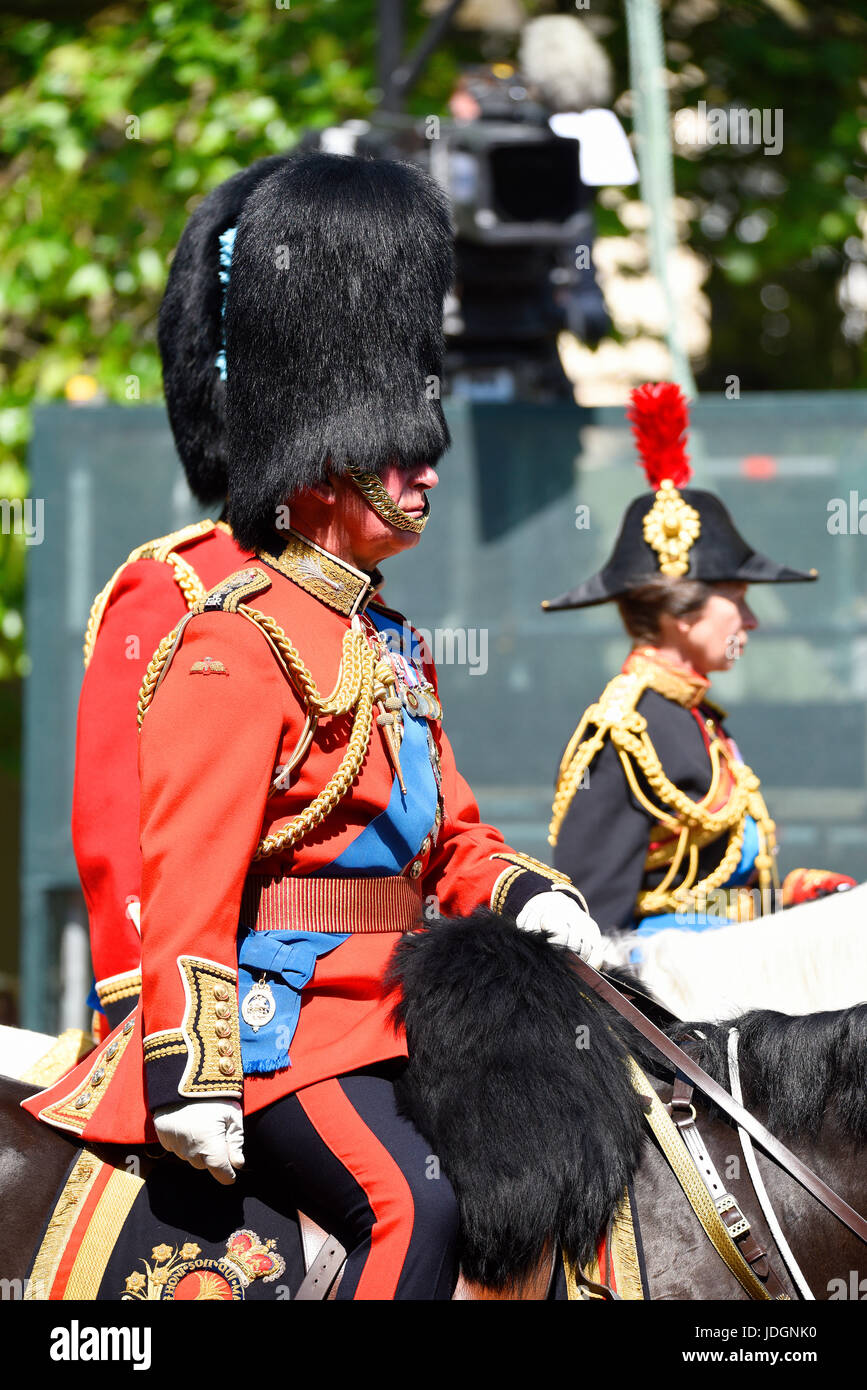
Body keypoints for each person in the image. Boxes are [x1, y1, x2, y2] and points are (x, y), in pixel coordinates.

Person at [25, 153, 601, 1301]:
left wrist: (529, 895)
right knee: (414, 1201)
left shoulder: (390, 639)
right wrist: (191, 1063)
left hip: (406, 1012)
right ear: (330, 454)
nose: (430, 473)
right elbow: (188, 867)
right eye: (406, 449)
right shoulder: (232, 633)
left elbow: (455, 842)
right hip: (285, 1026)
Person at [74, 157, 292, 1036]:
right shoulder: (173, 591)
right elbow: (117, 841)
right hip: (238, 1022)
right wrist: (164, 1038)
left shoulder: (360, 609)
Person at [542, 382, 852, 940]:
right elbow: (590, 930)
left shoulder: (693, 715)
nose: (751, 621)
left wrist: (791, 897)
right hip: (668, 1016)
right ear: (680, 615)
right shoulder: (625, 731)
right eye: (736, 598)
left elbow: (713, 896)